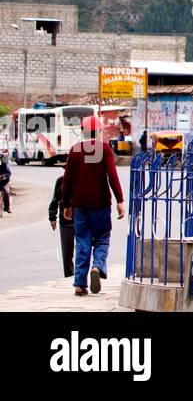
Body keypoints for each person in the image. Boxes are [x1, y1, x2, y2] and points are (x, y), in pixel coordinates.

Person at [61, 116, 125, 296]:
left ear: (82, 131)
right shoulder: (104, 149)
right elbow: (112, 176)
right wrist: (119, 200)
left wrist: (66, 204)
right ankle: (97, 266)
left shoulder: (75, 150)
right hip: (101, 205)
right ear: (98, 131)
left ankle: (80, 284)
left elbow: (67, 181)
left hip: (80, 205)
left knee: (82, 241)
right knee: (102, 238)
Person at [49, 174, 75, 277]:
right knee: (67, 255)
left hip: (82, 221)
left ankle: (80, 276)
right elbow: (55, 200)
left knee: (83, 251)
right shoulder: (61, 181)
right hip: (66, 222)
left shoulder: (83, 179)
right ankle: (70, 277)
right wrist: (52, 217)